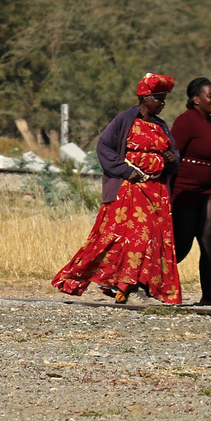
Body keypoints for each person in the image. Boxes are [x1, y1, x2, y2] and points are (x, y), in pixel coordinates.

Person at [51, 73, 182, 305]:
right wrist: (125, 170)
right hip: (130, 189)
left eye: (164, 99)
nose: (163, 103)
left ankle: (137, 286)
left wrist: (172, 156)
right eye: (159, 98)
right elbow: (105, 146)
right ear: (145, 97)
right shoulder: (125, 120)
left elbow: (174, 151)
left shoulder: (161, 125)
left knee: (152, 239)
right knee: (136, 238)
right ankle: (127, 287)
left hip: (156, 190)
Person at [170, 77, 211, 306]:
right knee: (182, 244)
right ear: (196, 100)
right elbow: (173, 155)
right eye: (210, 96)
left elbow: (206, 154)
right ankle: (143, 282)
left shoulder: (210, 122)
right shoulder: (186, 121)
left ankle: (208, 296)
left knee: (210, 239)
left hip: (210, 188)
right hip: (186, 189)